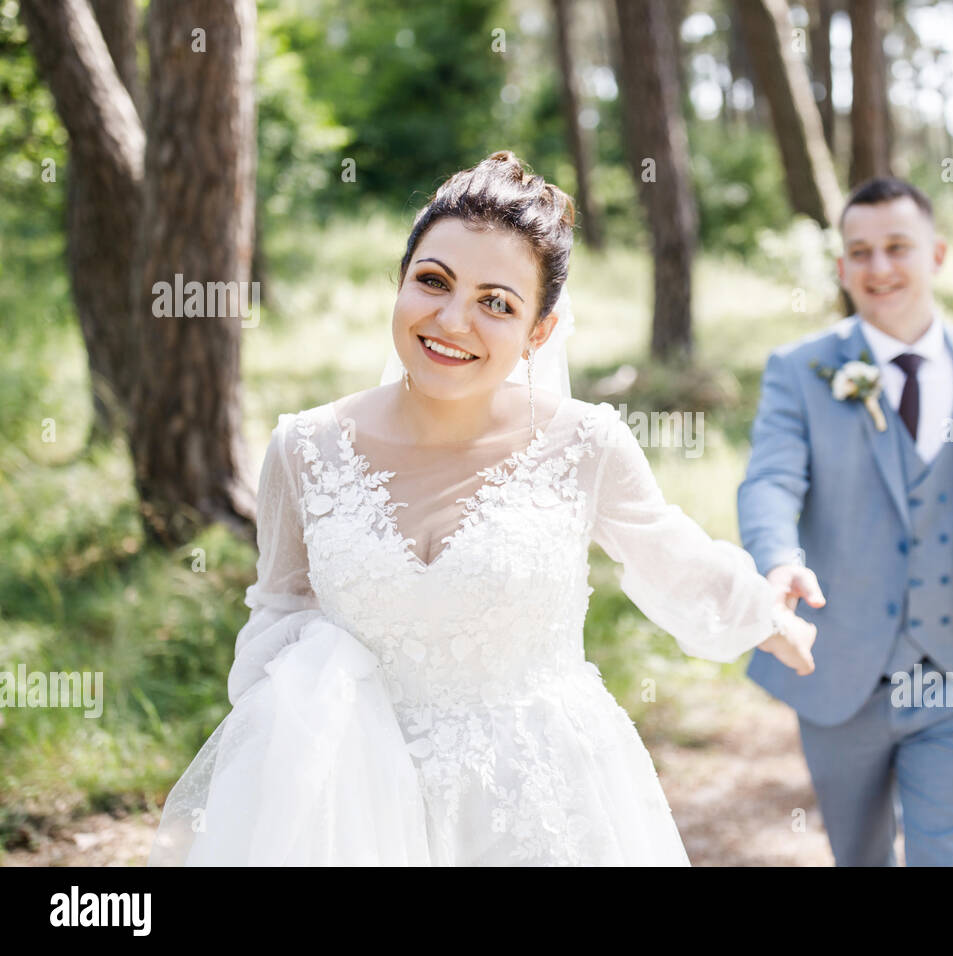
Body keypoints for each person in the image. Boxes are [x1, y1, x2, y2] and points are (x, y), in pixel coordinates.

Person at [148, 150, 816, 866]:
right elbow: (279, 611)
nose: (452, 320)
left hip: (545, 803)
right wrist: (281, 773)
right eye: (432, 282)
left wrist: (767, 615)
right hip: (359, 812)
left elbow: (667, 553)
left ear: (539, 332)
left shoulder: (584, 443)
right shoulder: (304, 448)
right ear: (399, 284)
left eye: (496, 302)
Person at [738, 176, 953, 866]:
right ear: (841, 268)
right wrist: (778, 557)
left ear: (938, 254)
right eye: (860, 253)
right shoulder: (799, 370)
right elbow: (770, 480)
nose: (880, 268)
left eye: (898, 247)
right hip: (841, 676)